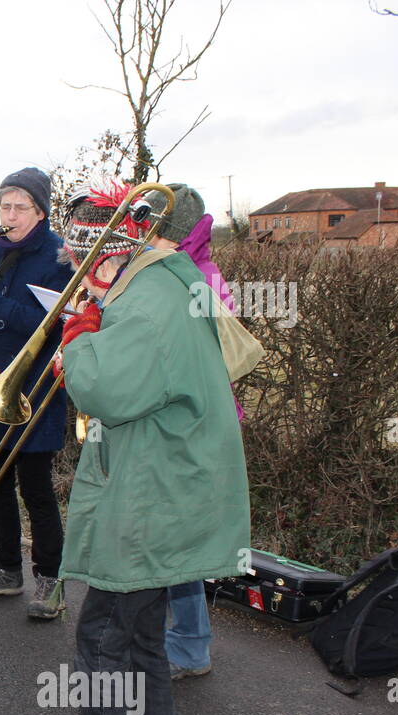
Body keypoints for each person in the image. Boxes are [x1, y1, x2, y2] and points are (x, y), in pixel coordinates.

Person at [32, 183, 251, 715]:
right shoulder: (162, 284)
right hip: (170, 485)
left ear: (111, 249)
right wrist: (95, 326)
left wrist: (78, 337)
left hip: (153, 494)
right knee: (143, 632)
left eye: (83, 255)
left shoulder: (148, 302)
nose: (75, 269)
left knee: (102, 635)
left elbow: (106, 391)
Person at [0, 168, 76, 619]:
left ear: (41, 212)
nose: (9, 215)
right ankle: (6, 570)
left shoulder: (61, 256)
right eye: (4, 206)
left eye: (19, 207)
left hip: (34, 388)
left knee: (37, 490)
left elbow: (56, 328)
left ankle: (51, 580)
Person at [151, 185, 239, 680]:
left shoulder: (197, 277)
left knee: (179, 544)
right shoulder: (186, 272)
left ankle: (189, 645)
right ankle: (176, 638)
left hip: (192, 425)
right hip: (184, 421)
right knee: (170, 539)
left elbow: (215, 356)